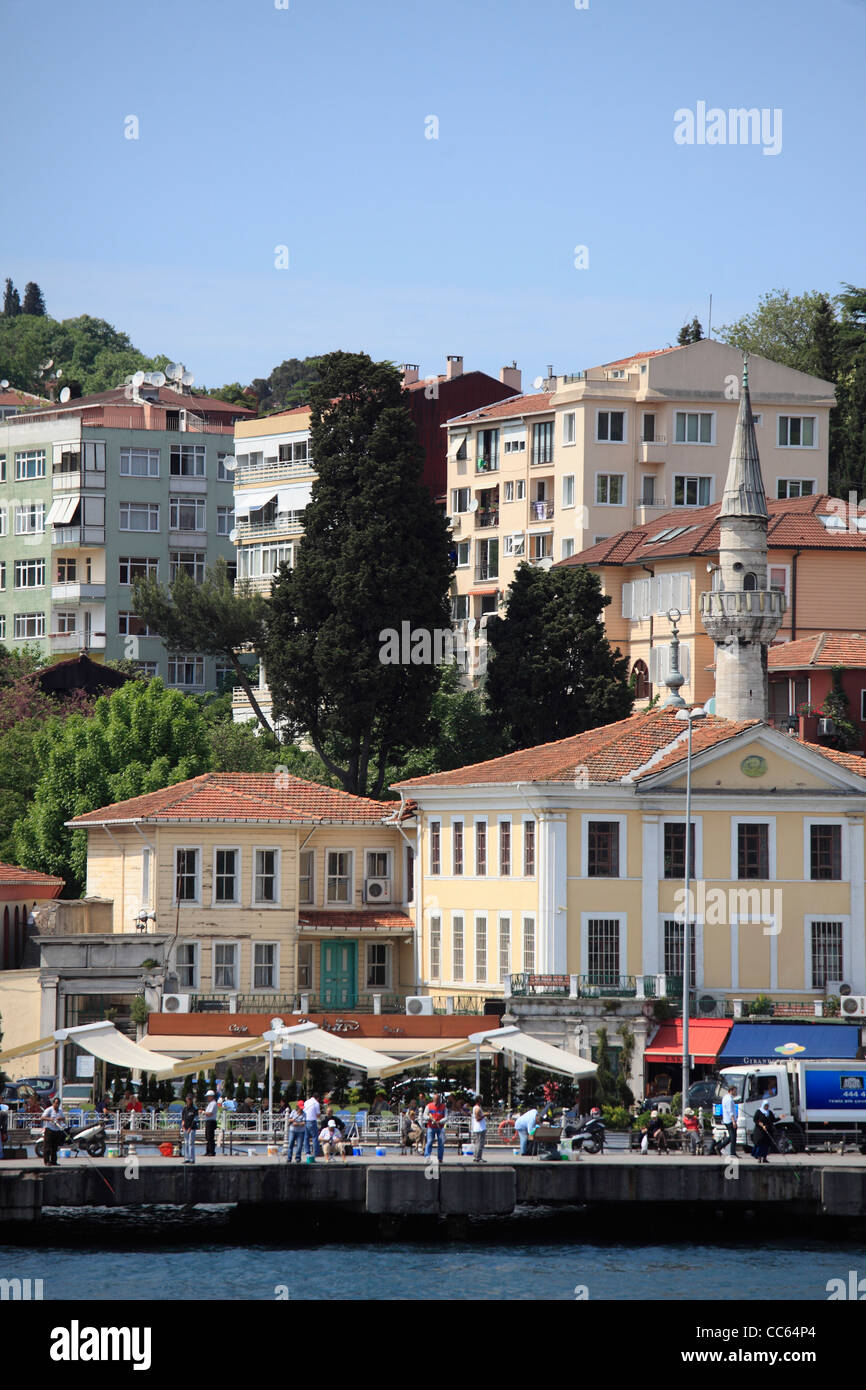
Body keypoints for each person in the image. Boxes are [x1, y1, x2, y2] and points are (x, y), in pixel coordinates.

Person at [41, 1095, 67, 1167]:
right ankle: (47, 1161)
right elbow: (42, 1117)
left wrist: (60, 1118)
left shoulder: (60, 1111)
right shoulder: (49, 1110)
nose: (57, 1105)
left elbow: (64, 1119)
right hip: (50, 1130)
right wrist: (50, 1119)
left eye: (58, 1103)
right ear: (53, 1103)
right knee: (47, 1147)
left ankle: (54, 1161)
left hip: (57, 1130)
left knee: (54, 1147)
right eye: (56, 1103)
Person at [423, 1092, 447, 1164]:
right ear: (433, 1100)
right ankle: (427, 1156)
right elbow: (424, 1115)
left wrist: (440, 1121)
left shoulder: (443, 1107)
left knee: (441, 1143)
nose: (437, 1102)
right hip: (431, 1127)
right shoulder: (429, 1106)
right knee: (429, 1141)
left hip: (440, 1127)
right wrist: (429, 1118)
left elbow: (446, 1117)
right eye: (435, 1100)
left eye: (438, 1100)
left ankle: (440, 1158)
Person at [720, 1086, 738, 1157]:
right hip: (730, 1120)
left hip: (727, 1119)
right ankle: (732, 1152)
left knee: (731, 1137)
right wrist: (734, 1121)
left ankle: (719, 1147)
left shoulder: (725, 1097)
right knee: (733, 1137)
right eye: (735, 1091)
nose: (735, 1092)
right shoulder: (729, 1099)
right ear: (731, 1090)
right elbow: (731, 1111)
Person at [303, 1092, 321, 1159]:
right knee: (315, 1137)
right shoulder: (316, 1103)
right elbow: (318, 1114)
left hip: (305, 1120)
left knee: (306, 1137)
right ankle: (316, 1152)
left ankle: (307, 1152)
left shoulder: (306, 1102)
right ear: (317, 1098)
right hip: (312, 1121)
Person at [181, 1093, 198, 1164]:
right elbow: (183, 1118)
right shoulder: (185, 1109)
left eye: (190, 1099)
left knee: (191, 1143)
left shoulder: (194, 1109)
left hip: (192, 1129)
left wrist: (190, 1128)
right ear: (186, 1099)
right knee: (186, 1143)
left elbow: (195, 1120)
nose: (189, 1100)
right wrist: (183, 1127)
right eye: (188, 1099)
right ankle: (187, 1158)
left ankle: (192, 1159)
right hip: (185, 1128)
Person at [470, 1095, 487, 1164]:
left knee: (478, 1143)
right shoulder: (477, 1108)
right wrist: (485, 1115)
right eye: (481, 1099)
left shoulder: (476, 1108)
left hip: (479, 1128)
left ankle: (476, 1157)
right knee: (480, 1143)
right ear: (479, 1100)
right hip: (480, 1128)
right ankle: (478, 1157)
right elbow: (478, 1118)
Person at [203, 1090, 218, 1157]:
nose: (207, 1098)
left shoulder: (213, 1103)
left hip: (211, 1121)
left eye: (208, 1096)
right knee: (208, 1137)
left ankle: (211, 1151)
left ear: (211, 1096)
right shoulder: (210, 1103)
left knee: (210, 1137)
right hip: (208, 1121)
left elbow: (210, 1113)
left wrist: (203, 1112)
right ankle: (208, 1151)